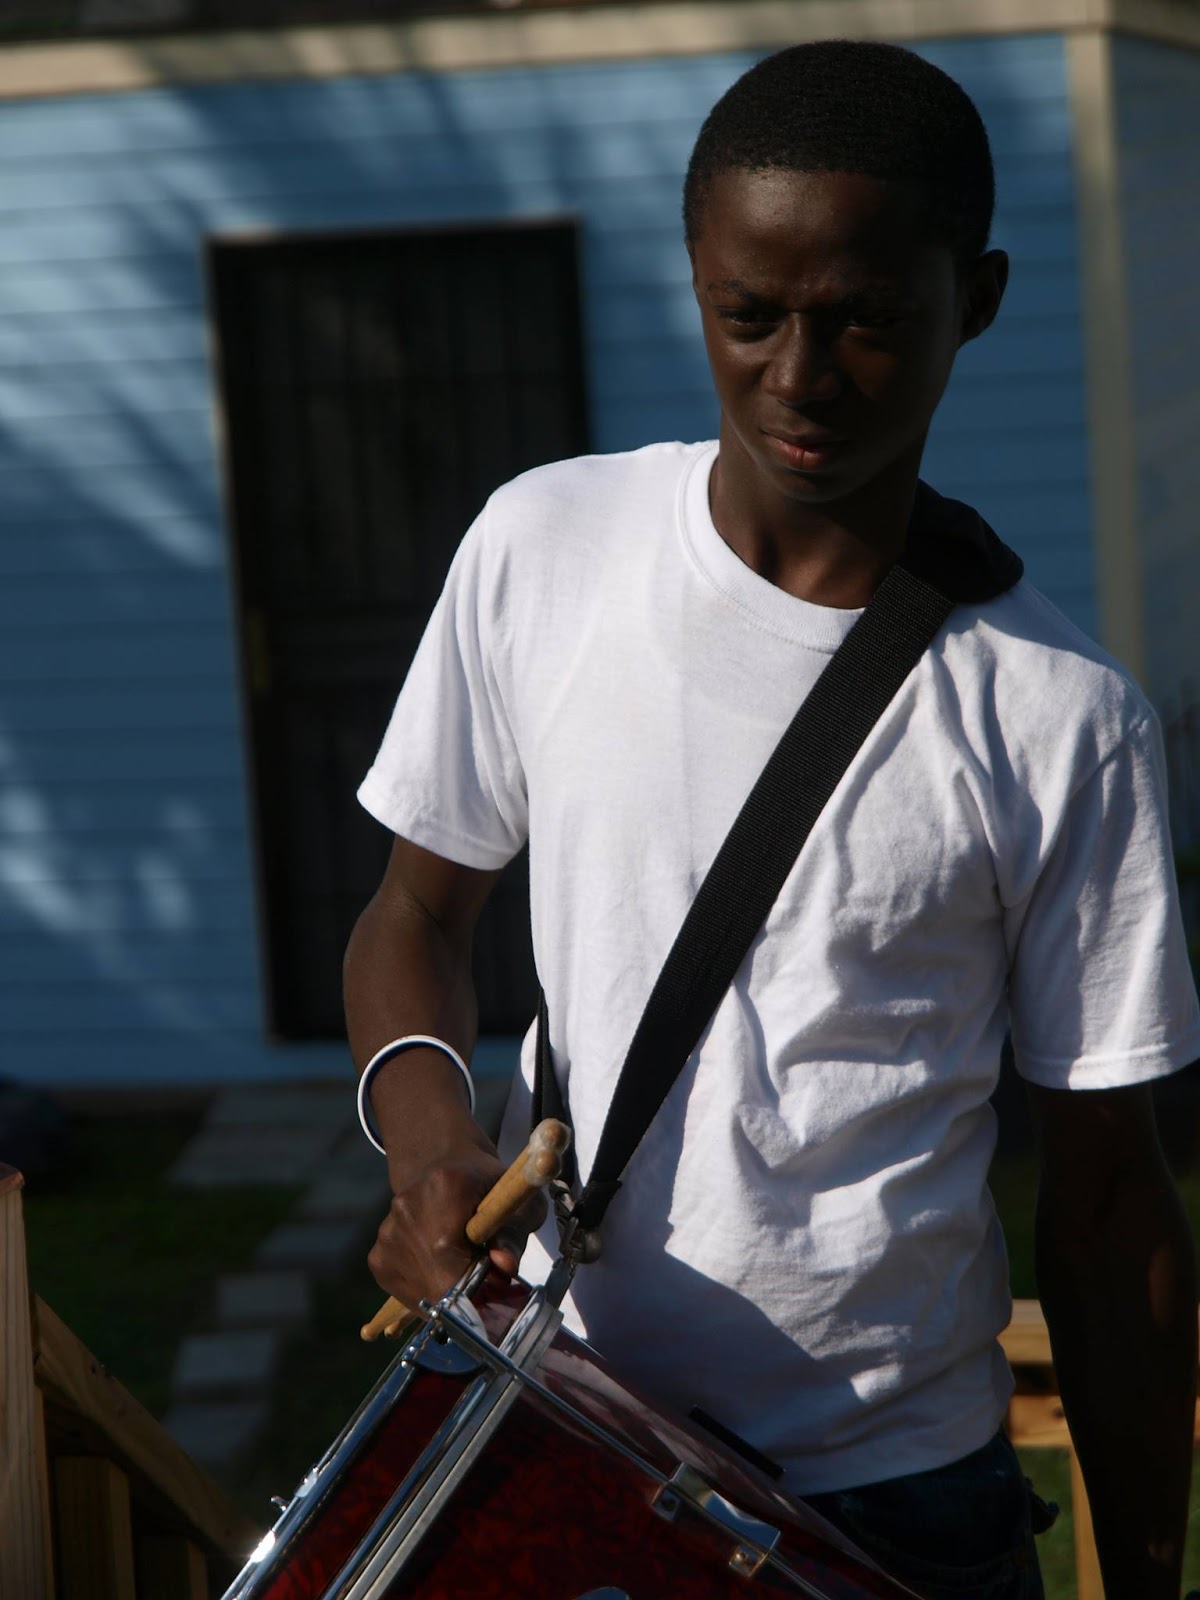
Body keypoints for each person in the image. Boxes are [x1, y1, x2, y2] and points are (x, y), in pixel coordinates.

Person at [343, 40, 1199, 1600]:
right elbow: (415, 914)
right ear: (696, 277)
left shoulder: (1062, 715)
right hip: (565, 1429)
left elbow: (1109, 1197)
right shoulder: (544, 550)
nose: (801, 377)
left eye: (868, 320)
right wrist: (427, 1146)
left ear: (980, 299)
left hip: (899, 1509)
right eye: (752, 315)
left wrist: (1145, 1572)